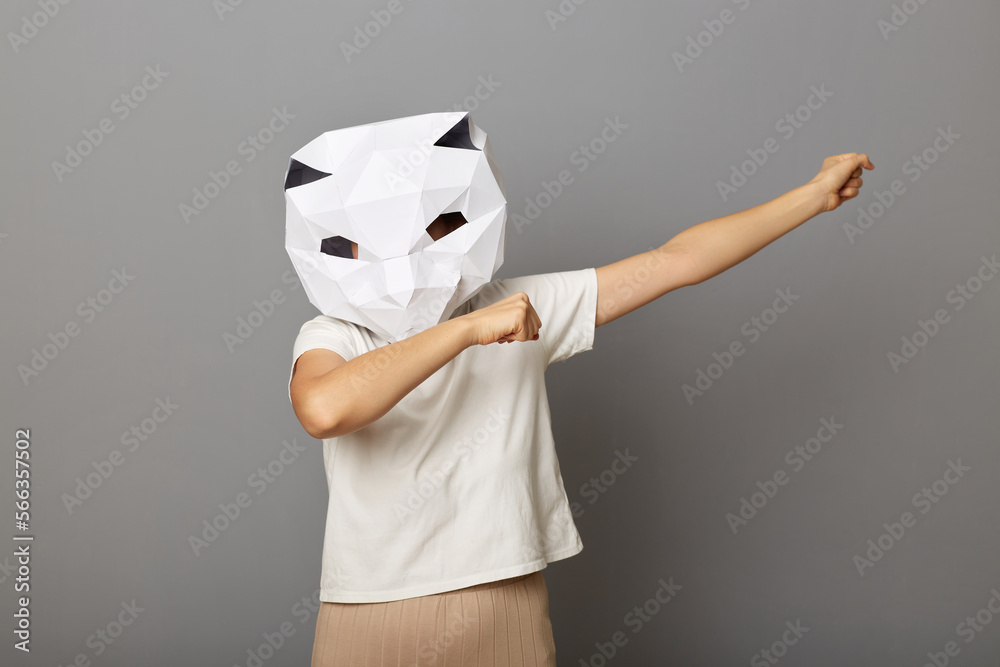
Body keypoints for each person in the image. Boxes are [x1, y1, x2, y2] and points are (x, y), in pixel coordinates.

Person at [289, 143, 873, 665]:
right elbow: (323, 409)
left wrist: (813, 196)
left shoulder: (519, 305)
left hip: (504, 597)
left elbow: (676, 260)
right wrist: (466, 332)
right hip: (371, 604)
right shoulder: (335, 333)